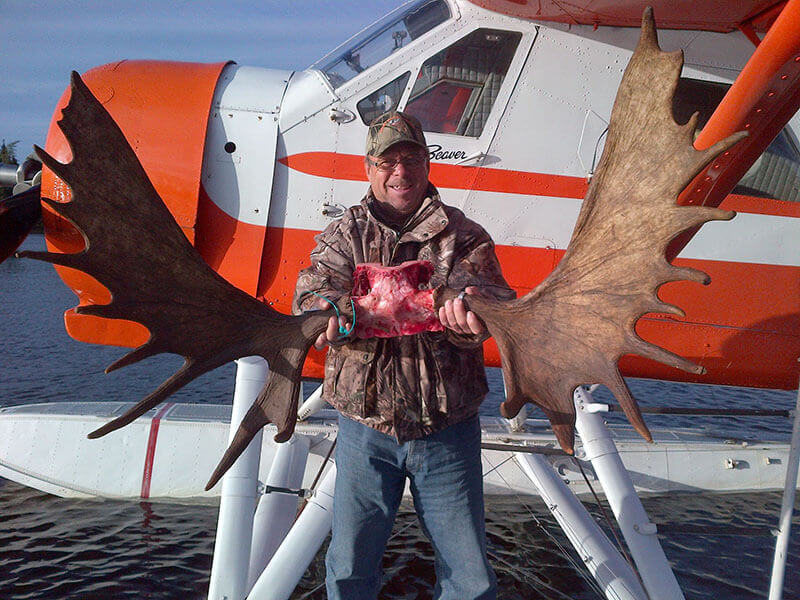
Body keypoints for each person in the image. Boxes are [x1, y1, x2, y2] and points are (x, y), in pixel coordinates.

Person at [293, 111, 514, 600]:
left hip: (446, 428)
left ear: (427, 164)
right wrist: (325, 310)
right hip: (364, 429)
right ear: (369, 169)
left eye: (411, 158)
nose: (400, 172)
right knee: (348, 568)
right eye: (386, 162)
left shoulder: (464, 235)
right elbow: (310, 292)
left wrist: (472, 320)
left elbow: (496, 303)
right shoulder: (344, 234)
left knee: (470, 578)